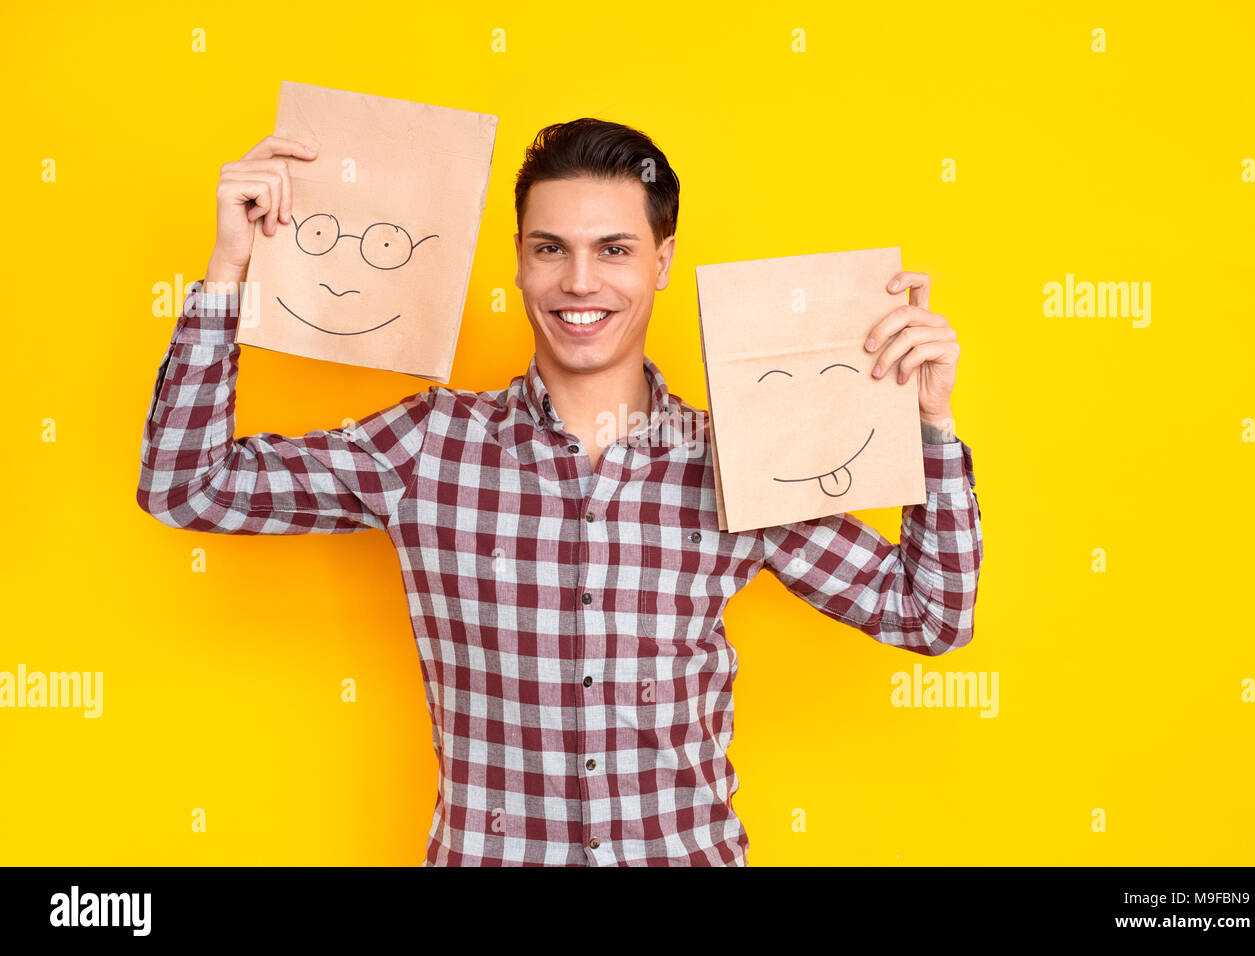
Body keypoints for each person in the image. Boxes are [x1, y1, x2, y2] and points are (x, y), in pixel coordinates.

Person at [137, 118, 983, 866]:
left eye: (614, 248)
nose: (581, 282)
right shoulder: (428, 445)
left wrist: (932, 428)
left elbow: (929, 615)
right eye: (551, 248)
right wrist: (228, 271)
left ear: (662, 263)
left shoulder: (736, 461)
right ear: (519, 261)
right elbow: (188, 487)